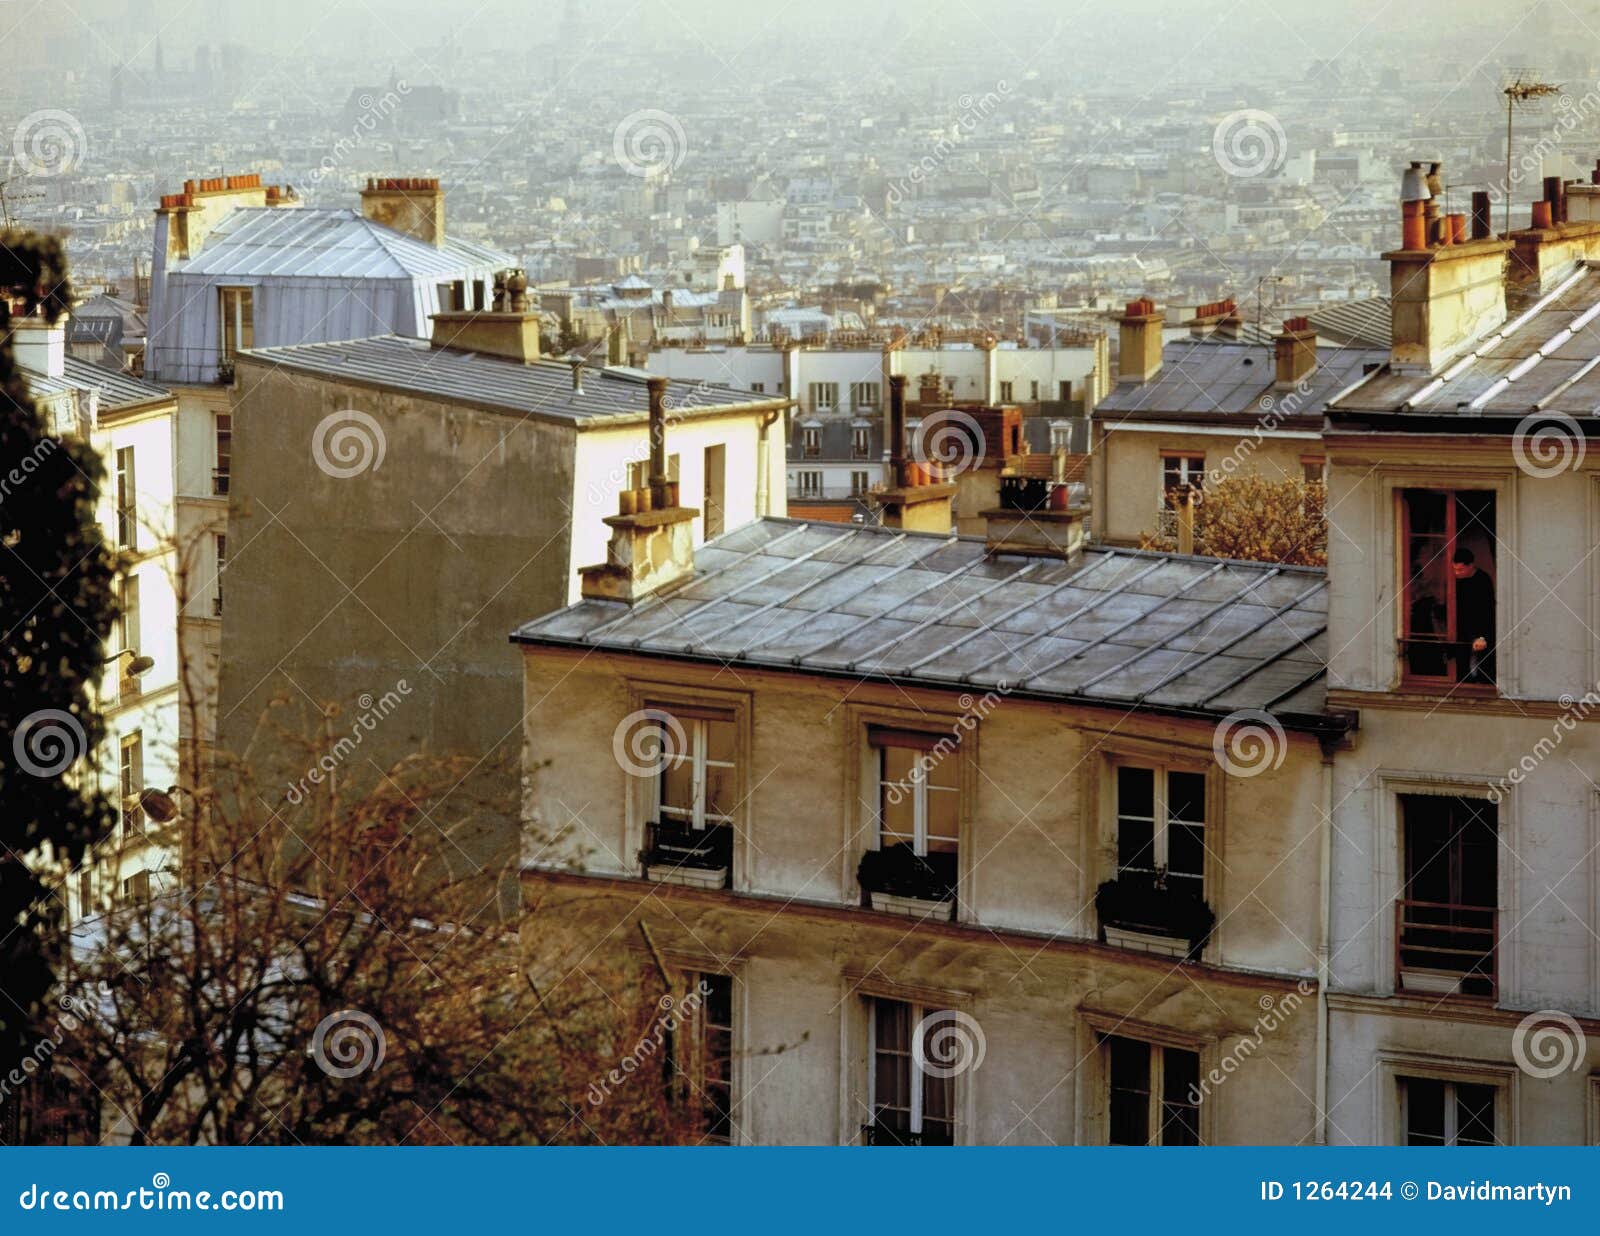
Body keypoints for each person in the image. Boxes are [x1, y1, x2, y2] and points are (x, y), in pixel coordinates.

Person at [1452, 547, 1495, 685]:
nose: (1456, 573)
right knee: (1462, 670)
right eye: (1455, 569)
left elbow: (1487, 611)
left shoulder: (1483, 581)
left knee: (1481, 670)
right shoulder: (1458, 582)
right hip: (1462, 630)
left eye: (1460, 570)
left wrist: (1482, 636)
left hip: (1480, 631)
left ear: (1470, 566)